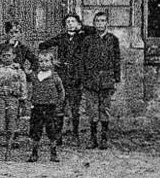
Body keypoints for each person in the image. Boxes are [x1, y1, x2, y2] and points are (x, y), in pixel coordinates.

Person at [78, 10, 121, 150]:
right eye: (97, 21)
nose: (100, 24)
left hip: (107, 80)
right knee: (92, 110)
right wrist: (84, 79)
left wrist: (116, 77)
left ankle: (104, 138)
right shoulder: (88, 40)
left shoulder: (113, 40)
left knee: (105, 109)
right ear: (93, 23)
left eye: (103, 21)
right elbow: (82, 61)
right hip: (91, 80)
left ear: (107, 23)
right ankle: (92, 138)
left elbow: (116, 60)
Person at [39, 12, 85, 144]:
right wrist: (53, 61)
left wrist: (81, 28)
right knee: (59, 106)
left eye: (73, 21)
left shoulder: (82, 37)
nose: (70, 24)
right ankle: (58, 136)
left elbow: (92, 30)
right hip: (63, 75)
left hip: (76, 76)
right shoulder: (61, 37)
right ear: (65, 26)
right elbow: (43, 45)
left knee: (75, 108)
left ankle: (75, 135)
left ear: (77, 24)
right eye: (68, 22)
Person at [0, 46, 27, 160]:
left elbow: (23, 86)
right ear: (0, 57)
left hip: (13, 99)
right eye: (3, 56)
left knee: (11, 124)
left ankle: (8, 152)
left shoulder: (18, 71)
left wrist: (22, 99)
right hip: (0, 98)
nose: (6, 58)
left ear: (14, 56)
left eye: (9, 55)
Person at [25, 49, 66, 163]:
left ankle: (53, 153)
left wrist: (58, 104)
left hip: (50, 108)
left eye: (46, 61)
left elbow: (61, 92)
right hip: (37, 107)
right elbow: (26, 80)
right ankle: (34, 153)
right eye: (41, 61)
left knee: (51, 131)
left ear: (52, 62)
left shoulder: (55, 77)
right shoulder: (35, 76)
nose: (43, 64)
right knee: (35, 131)